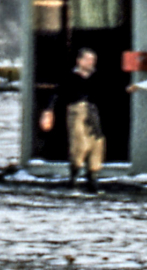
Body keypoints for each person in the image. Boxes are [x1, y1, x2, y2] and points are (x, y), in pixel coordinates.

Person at [40, 47, 105, 193]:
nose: (91, 62)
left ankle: (92, 180)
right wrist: (48, 110)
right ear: (79, 61)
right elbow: (56, 93)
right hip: (76, 110)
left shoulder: (97, 77)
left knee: (97, 144)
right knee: (79, 144)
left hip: (93, 112)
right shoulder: (70, 76)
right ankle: (74, 178)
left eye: (93, 60)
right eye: (88, 59)